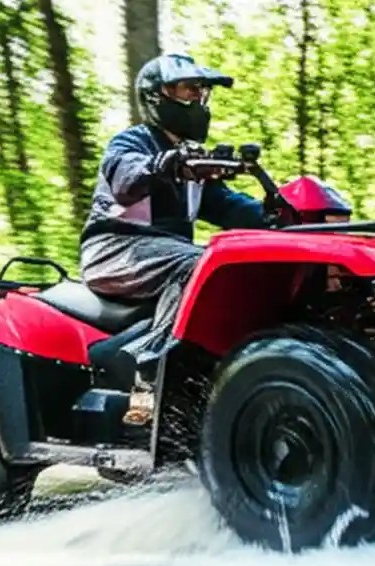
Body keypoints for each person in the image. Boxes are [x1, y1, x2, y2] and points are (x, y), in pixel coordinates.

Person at [78, 53, 266, 379]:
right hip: (115, 250)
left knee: (240, 266)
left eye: (201, 91)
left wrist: (285, 216)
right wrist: (165, 165)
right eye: (188, 90)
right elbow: (124, 179)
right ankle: (147, 366)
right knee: (204, 265)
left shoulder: (191, 160)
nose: (198, 98)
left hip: (161, 256)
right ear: (156, 96)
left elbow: (231, 207)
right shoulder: (132, 142)